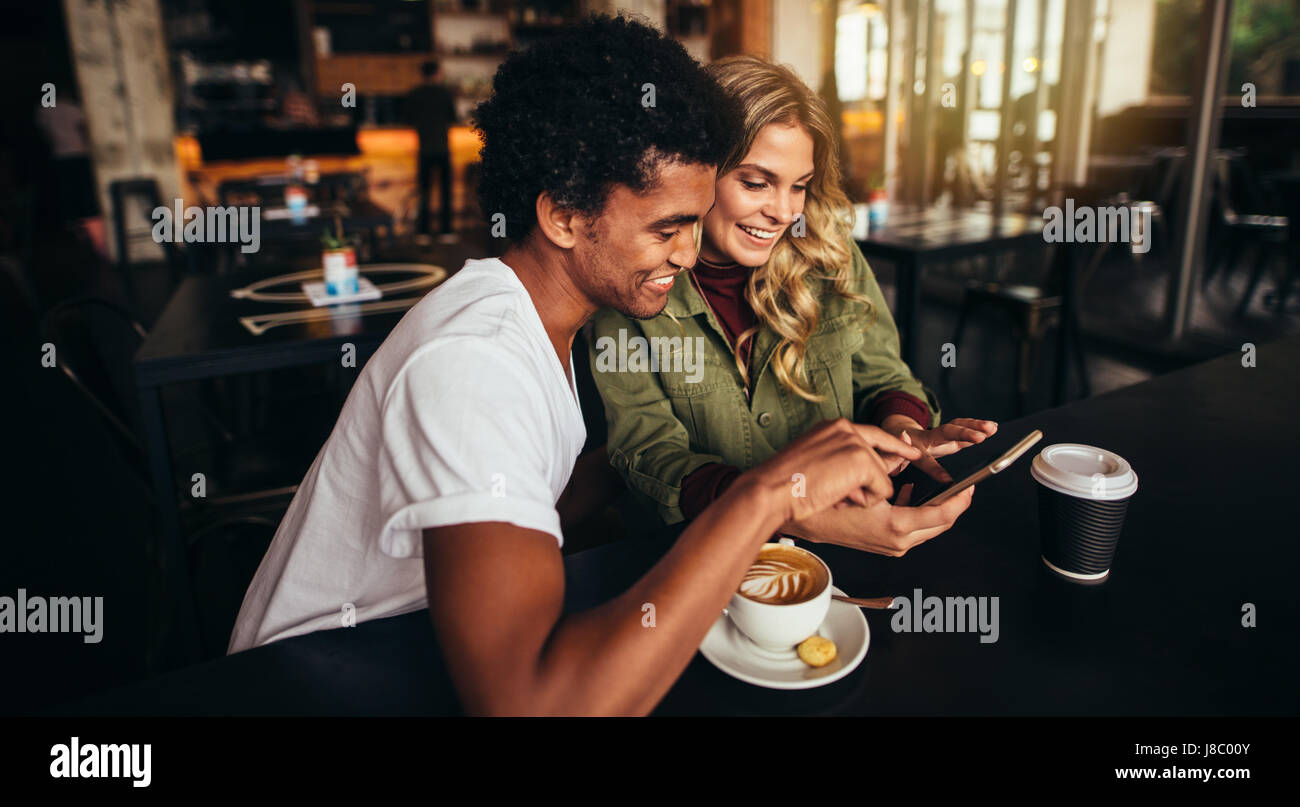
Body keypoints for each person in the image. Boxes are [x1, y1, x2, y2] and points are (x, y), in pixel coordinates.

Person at [228, 16, 922, 716]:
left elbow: (540, 490)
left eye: (695, 221)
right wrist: (769, 493)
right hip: (316, 683)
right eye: (666, 227)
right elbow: (533, 706)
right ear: (563, 216)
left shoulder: (535, 319)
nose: (687, 256)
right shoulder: (472, 364)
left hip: (408, 654)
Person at [590, 55, 994, 557]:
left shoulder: (830, 251)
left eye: (798, 185)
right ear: (696, 170)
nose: (783, 211)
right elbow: (650, 454)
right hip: (691, 562)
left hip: (843, 552)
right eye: (756, 182)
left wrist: (902, 433)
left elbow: (885, 377)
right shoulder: (632, 283)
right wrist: (796, 512)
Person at [405, 60, 456, 238]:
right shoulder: (445, 94)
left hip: (424, 149)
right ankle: (446, 231)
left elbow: (407, 118)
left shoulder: (414, 94)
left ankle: (423, 231)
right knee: (445, 193)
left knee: (424, 192)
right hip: (442, 147)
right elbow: (453, 117)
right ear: (437, 73)